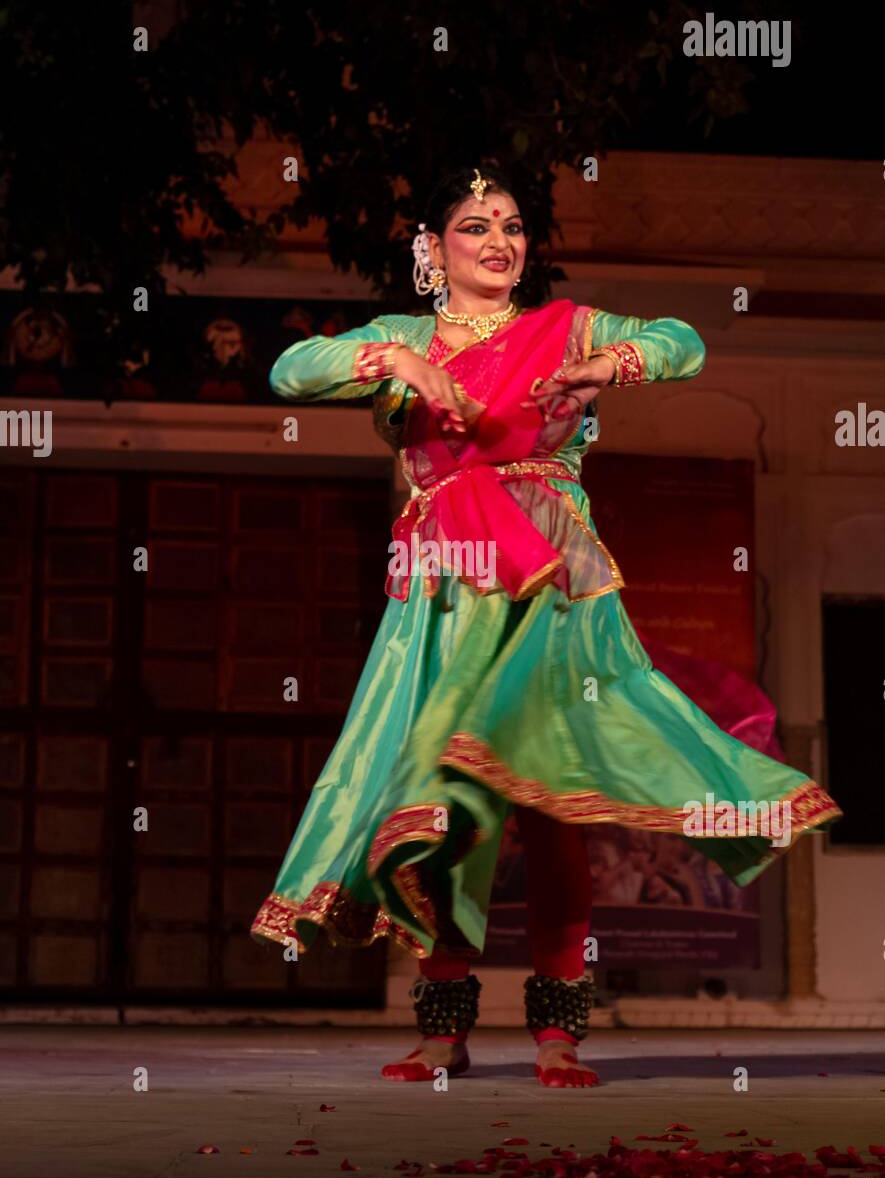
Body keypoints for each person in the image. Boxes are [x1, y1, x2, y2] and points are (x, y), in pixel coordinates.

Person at [252, 163, 841, 1088]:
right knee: (446, 804)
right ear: (432, 248)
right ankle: (442, 1027)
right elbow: (289, 369)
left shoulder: (563, 329)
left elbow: (680, 338)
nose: (499, 243)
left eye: (513, 226)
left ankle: (558, 1031)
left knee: (545, 796)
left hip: (551, 575)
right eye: (474, 227)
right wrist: (396, 362)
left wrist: (613, 364)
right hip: (445, 585)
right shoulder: (405, 334)